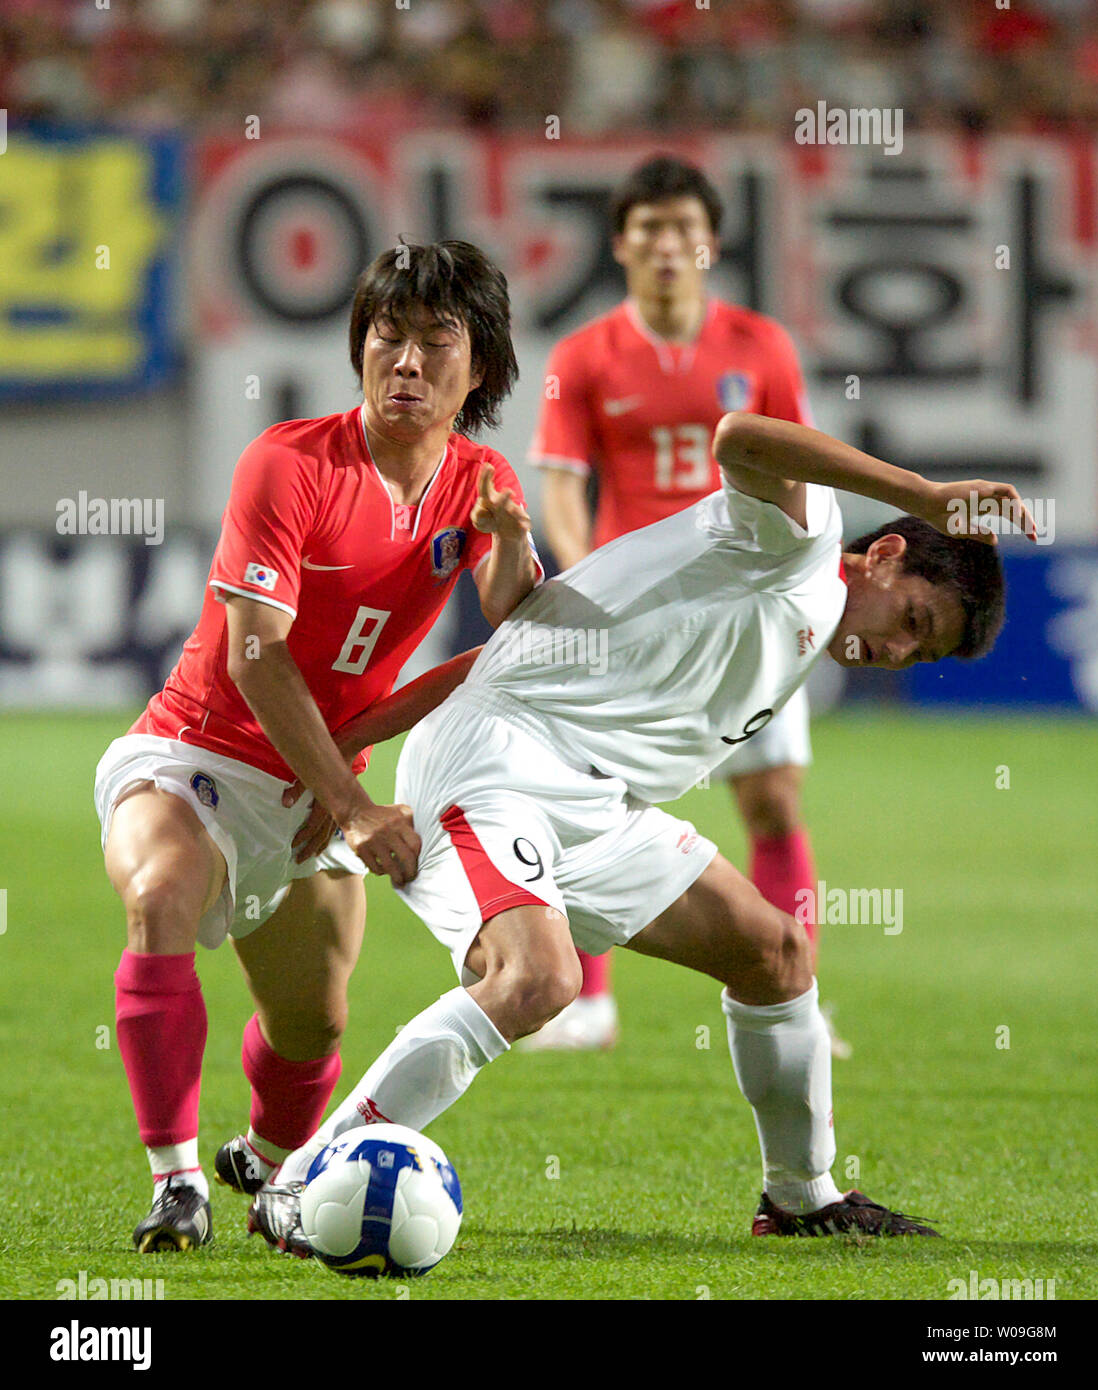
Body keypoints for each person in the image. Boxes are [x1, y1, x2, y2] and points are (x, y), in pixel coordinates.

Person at [247, 411, 1035, 1250]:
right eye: (911, 622)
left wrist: (357, 739)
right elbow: (737, 436)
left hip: (593, 802)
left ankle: (802, 1196)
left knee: (775, 953)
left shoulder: (793, 622)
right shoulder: (797, 544)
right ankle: (300, 1182)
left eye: (920, 654)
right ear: (884, 555)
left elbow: (512, 648)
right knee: (536, 982)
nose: (896, 652)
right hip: (500, 765)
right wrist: (922, 491)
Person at [94, 240, 540, 1252]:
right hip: (194, 755)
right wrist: (349, 799)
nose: (409, 363)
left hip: (314, 788)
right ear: (360, 347)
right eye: (389, 338)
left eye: (437, 343)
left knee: (313, 1032)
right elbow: (256, 659)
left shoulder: (480, 481)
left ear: (481, 369)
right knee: (161, 894)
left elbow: (507, 637)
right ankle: (174, 1183)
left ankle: (263, 1156)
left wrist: (510, 545)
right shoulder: (290, 463)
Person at [530, 155, 840, 1052]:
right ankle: (587, 1002)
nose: (667, 245)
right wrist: (591, 583)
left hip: (750, 609)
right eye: (648, 229)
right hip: (636, 611)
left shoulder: (761, 347)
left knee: (772, 800)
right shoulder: (584, 354)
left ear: (709, 244)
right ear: (620, 243)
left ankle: (798, 995)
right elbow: (560, 484)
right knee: (589, 798)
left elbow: (803, 469)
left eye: (683, 229)